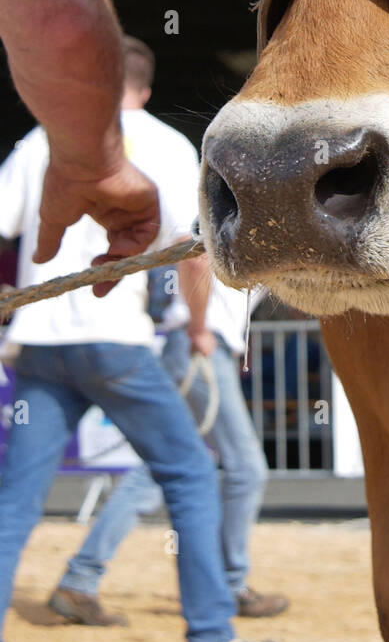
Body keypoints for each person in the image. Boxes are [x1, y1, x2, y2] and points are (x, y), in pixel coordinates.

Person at [0, 32, 281, 642]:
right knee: (187, 472)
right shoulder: (163, 143)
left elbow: (3, 223)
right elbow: (195, 251)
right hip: (114, 344)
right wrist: (198, 326)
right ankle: (210, 637)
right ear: (146, 87)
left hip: (40, 345)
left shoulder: (40, 139)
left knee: (15, 500)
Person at [50, 266, 290, 622]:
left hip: (195, 345)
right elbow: (194, 263)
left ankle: (80, 578)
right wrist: (199, 327)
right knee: (246, 469)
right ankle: (230, 583)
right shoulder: (218, 220)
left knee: (157, 471)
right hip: (201, 345)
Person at [0, 0, 160, 278]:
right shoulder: (173, 147)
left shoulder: (30, 147)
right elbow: (60, 21)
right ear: (146, 90)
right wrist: (94, 165)